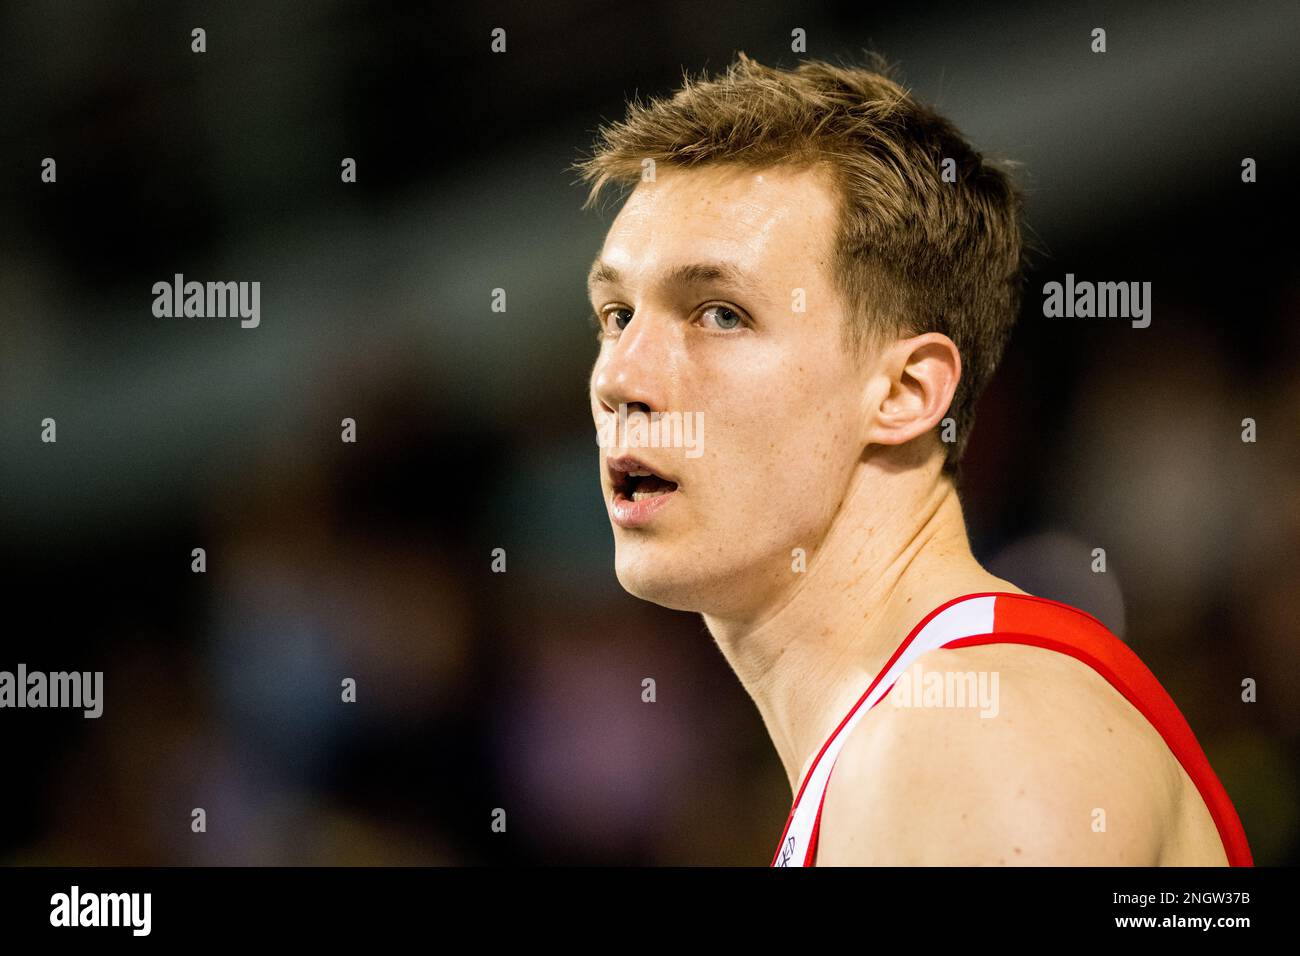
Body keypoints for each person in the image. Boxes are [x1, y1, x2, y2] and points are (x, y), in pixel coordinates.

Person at [573, 52, 1252, 866]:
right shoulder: (918, 731)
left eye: (720, 314)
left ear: (903, 392)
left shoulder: (969, 738)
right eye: (616, 314)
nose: (619, 376)